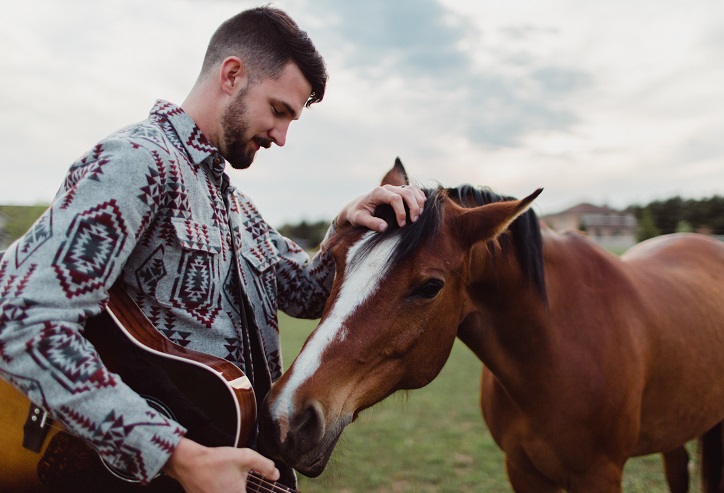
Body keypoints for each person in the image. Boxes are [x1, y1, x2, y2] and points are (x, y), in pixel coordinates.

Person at [0, 5, 425, 493]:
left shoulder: (235, 204)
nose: (283, 137)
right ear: (232, 75)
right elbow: (22, 320)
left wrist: (349, 227)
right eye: (279, 110)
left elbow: (308, 295)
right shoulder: (137, 163)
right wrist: (175, 455)